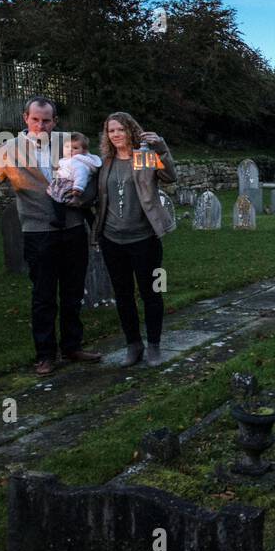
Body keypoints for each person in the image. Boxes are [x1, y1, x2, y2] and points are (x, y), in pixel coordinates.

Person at [0, 96, 102, 377]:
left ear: (55, 121)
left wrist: (82, 200)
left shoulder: (70, 142)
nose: (40, 125)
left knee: (73, 291)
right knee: (43, 296)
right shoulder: (8, 149)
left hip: (73, 228)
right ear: (25, 118)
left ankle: (72, 346)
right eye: (35, 119)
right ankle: (45, 355)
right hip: (38, 232)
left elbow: (93, 177)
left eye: (46, 120)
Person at [93, 111, 177, 367]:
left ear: (131, 131)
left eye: (120, 129)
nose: (116, 135)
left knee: (151, 293)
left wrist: (161, 148)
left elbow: (169, 177)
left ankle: (153, 345)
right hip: (112, 238)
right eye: (111, 130)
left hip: (143, 237)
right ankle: (133, 344)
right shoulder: (105, 162)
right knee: (123, 294)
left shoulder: (143, 157)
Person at [48, 132, 100, 229]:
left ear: (83, 151)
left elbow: (81, 175)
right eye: (67, 147)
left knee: (56, 198)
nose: (70, 150)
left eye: (75, 148)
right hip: (69, 182)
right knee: (83, 208)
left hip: (71, 185)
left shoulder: (77, 161)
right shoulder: (70, 159)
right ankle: (93, 223)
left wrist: (78, 187)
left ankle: (61, 220)